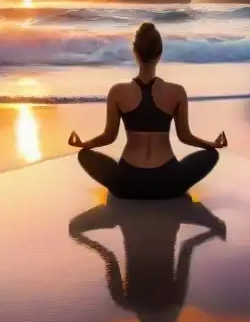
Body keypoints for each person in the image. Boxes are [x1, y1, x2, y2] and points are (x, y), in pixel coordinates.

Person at [67, 22, 226, 200]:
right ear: (160, 54)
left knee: (84, 155)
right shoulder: (177, 92)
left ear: (135, 53)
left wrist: (84, 144)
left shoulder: (117, 92)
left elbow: (109, 137)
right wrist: (211, 144)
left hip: (128, 184)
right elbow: (185, 137)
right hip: (169, 183)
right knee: (211, 155)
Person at [68, 195, 226, 322]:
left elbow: (187, 247)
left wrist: (214, 230)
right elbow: (108, 257)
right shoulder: (125, 301)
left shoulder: (174, 300)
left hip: (157, 205)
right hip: (137, 207)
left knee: (75, 227)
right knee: (75, 227)